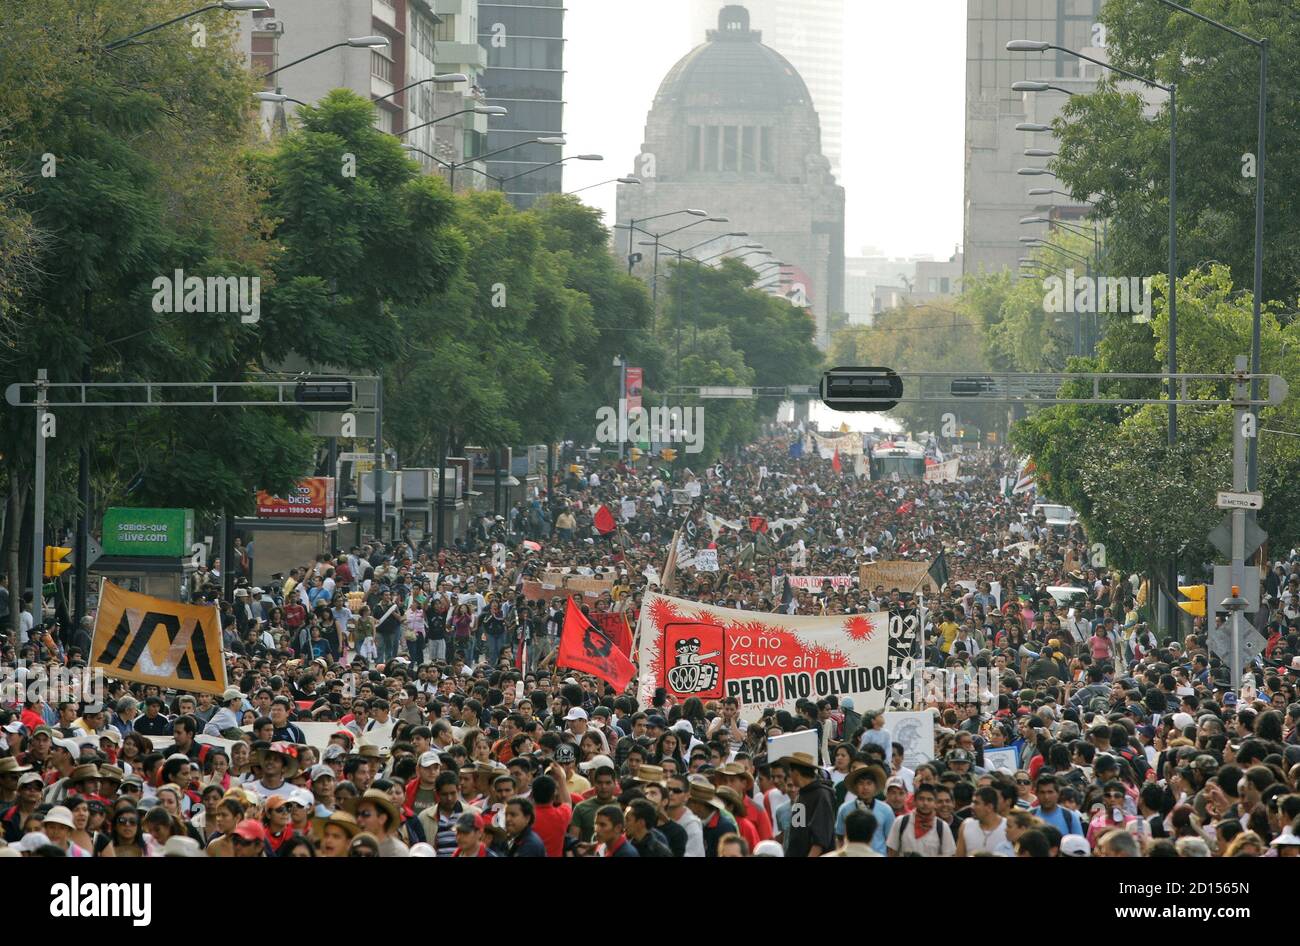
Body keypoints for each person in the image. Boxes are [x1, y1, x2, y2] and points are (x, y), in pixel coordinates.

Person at [776, 751, 835, 858]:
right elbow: (797, 834)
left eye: (790, 770)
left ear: (796, 773)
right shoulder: (802, 795)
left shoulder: (821, 795)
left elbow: (820, 839)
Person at [887, 784, 955, 857]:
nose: (925, 803)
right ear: (914, 801)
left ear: (935, 803)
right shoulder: (901, 822)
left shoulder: (942, 827)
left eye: (930, 799)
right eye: (921, 799)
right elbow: (892, 852)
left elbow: (949, 854)